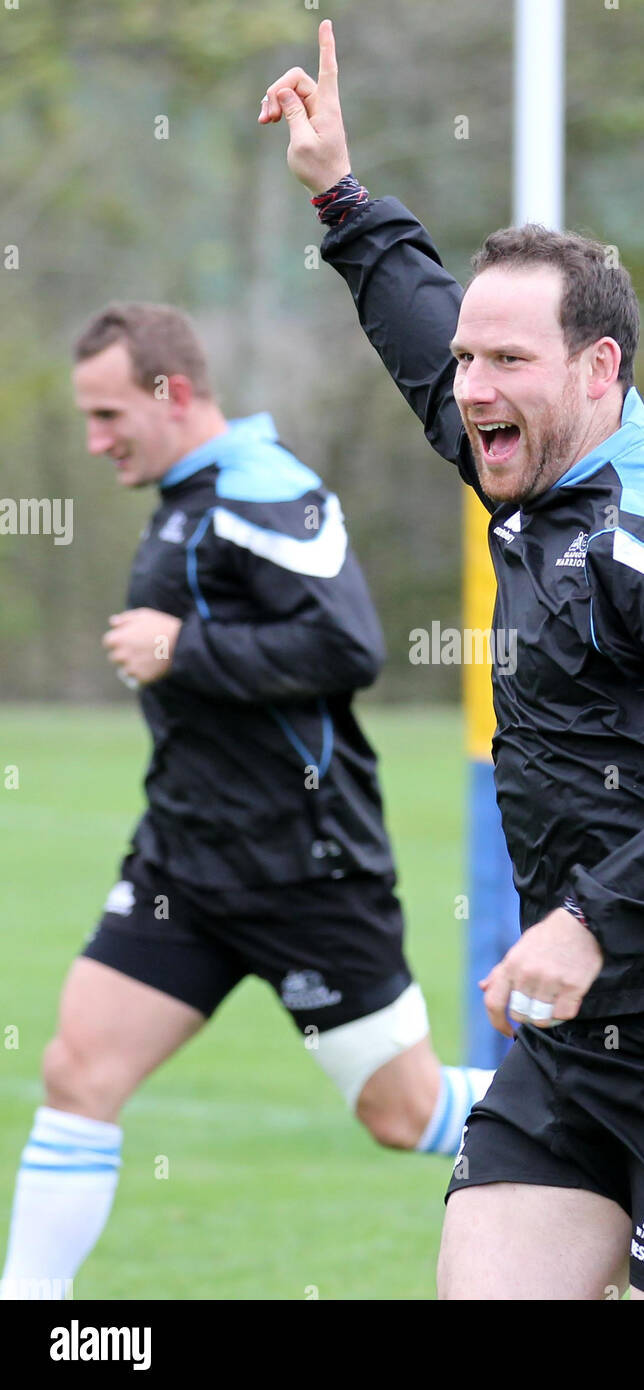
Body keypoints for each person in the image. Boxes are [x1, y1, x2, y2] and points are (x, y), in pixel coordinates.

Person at [258, 20, 644, 1302]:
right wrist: (341, 193)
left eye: (505, 359)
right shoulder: (528, 461)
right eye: (471, 358)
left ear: (598, 367)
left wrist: (589, 920)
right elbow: (424, 337)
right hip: (577, 1042)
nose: (470, 386)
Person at [0, 301, 492, 1301]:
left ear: (169, 393)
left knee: (405, 1115)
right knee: (77, 1073)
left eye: (106, 417)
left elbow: (348, 648)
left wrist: (182, 647)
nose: (95, 442)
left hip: (301, 866)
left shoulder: (263, 490)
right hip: (183, 860)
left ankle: (624, 1106)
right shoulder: (182, 492)